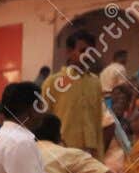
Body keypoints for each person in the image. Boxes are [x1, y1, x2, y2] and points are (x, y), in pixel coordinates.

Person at [44, 31, 106, 160]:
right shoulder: (53, 82)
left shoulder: (96, 83)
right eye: (83, 51)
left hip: (90, 155)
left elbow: (97, 122)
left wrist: (99, 156)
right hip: (62, 154)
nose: (88, 56)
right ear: (69, 52)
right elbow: (42, 121)